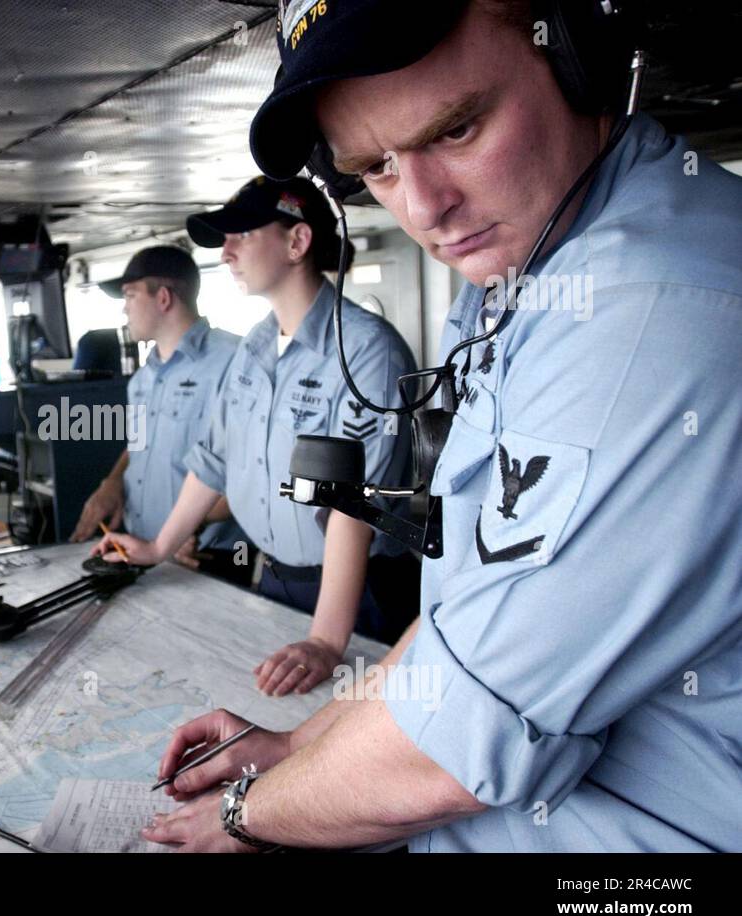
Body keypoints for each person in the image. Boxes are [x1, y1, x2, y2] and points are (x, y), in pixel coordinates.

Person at [143, 0, 742, 852]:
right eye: (376, 166)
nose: (424, 209)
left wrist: (245, 817)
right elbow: (467, 619)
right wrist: (295, 747)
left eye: (456, 131)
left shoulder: (651, 318)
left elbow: (450, 749)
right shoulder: (510, 281)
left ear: (578, 59)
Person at [93, 177, 418, 695]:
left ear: (297, 242)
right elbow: (212, 461)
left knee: (344, 751)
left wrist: (327, 641)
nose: (226, 253)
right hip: (276, 579)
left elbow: (352, 508)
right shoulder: (255, 349)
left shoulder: (365, 351)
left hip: (357, 595)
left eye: (241, 235)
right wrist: (158, 547)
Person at [71, 246, 248, 584]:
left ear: (163, 298)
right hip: (139, 549)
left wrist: (189, 528)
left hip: (201, 554)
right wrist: (113, 482)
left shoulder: (235, 361)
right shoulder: (142, 378)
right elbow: (139, 443)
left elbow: (249, 470)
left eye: (130, 294)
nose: (124, 308)